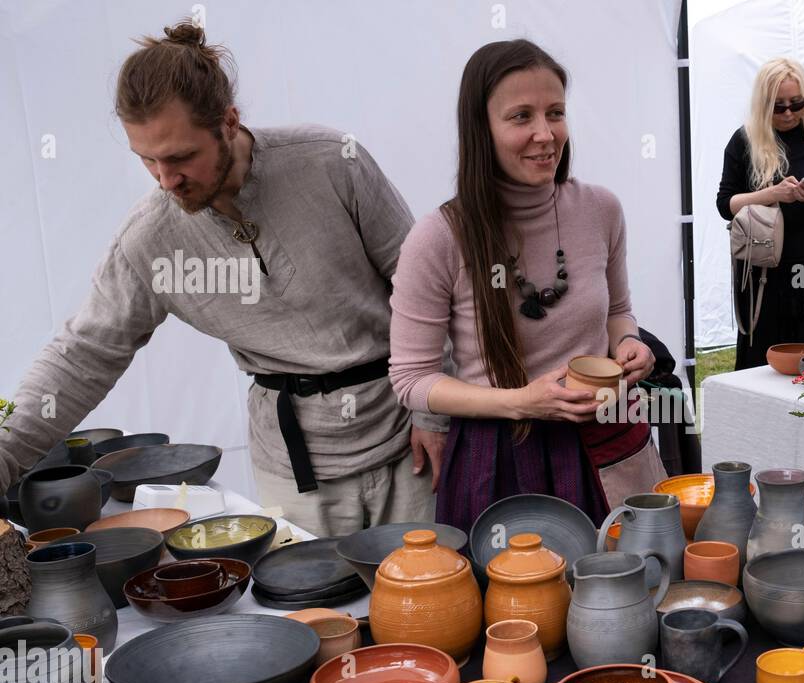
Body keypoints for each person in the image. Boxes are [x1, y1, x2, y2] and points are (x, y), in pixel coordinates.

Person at [0, 22, 445, 537]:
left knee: (432, 605)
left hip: (405, 437)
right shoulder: (151, 239)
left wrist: (435, 413)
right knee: (315, 612)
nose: (166, 180)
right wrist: (5, 452)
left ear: (229, 122)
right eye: (147, 159)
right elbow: (82, 354)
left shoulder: (330, 162)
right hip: (294, 467)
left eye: (181, 156)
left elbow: (425, 290)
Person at [389, 39, 664, 533]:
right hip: (499, 460)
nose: (545, 134)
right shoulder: (438, 238)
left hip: (609, 438)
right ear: (482, 129)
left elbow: (619, 309)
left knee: (629, 594)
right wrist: (520, 401)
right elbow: (411, 379)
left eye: (555, 112)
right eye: (521, 117)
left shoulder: (601, 209)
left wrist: (628, 341)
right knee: (519, 607)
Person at [716, 58, 804, 371]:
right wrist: (771, 195)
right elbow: (725, 203)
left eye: (796, 104)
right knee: (763, 365)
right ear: (763, 104)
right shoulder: (743, 141)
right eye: (779, 107)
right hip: (764, 273)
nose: (789, 113)